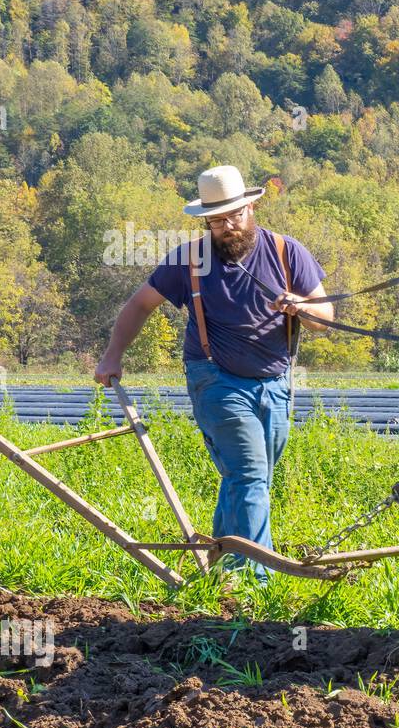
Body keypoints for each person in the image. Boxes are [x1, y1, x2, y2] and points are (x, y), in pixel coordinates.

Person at [95, 165, 335, 583]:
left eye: (234, 216)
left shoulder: (286, 251)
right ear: (205, 219)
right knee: (250, 474)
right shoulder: (188, 260)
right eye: (217, 219)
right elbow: (139, 305)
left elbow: (325, 318)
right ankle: (257, 580)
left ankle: (221, 564)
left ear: (251, 206)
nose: (227, 226)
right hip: (216, 378)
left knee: (248, 477)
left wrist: (300, 306)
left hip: (276, 382)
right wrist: (113, 355)